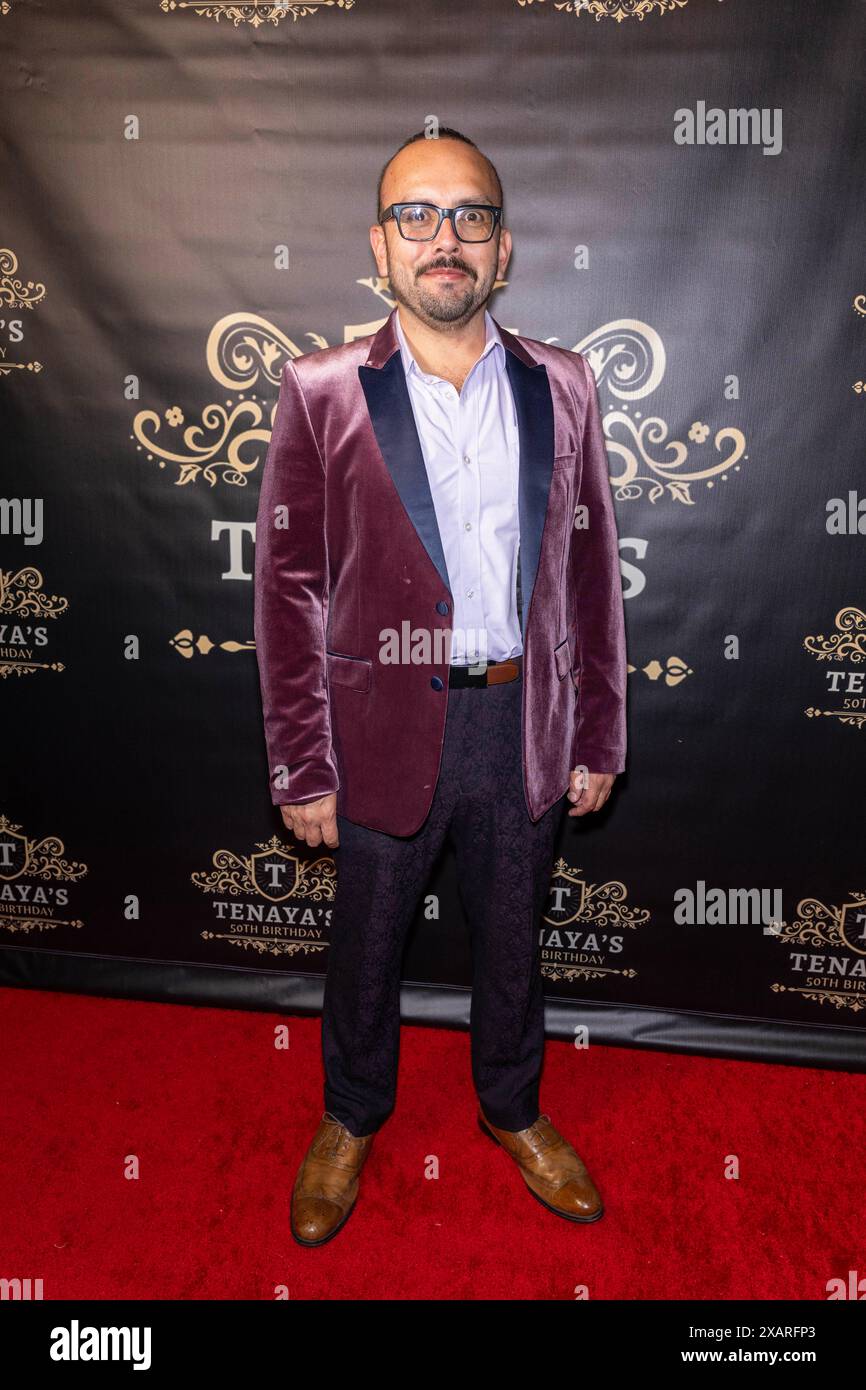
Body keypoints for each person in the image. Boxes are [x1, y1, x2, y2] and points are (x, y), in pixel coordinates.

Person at [253, 126, 627, 1247]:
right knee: (364, 939)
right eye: (416, 215)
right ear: (380, 244)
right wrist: (300, 757)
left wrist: (596, 729)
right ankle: (351, 1114)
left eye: (468, 215)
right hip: (376, 725)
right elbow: (288, 587)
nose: (443, 238)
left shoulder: (560, 383)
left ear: (501, 249)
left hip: (521, 716)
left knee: (512, 934)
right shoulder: (320, 388)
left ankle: (512, 1106)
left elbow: (588, 564)